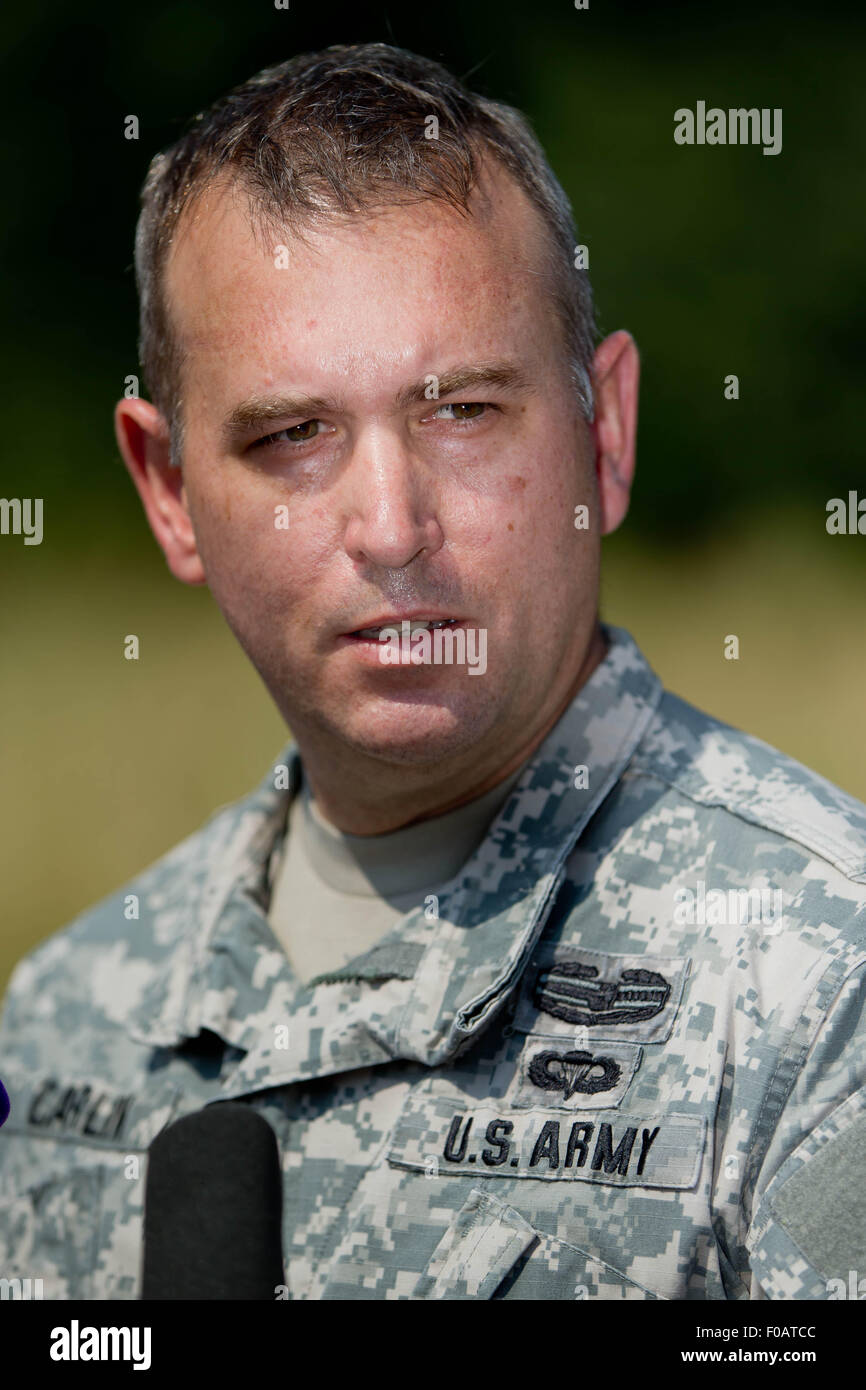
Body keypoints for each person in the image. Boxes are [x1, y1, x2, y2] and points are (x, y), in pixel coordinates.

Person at [1, 40, 864, 1302]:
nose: (393, 524)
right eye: (293, 435)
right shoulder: (71, 1016)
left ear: (602, 433)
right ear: (171, 492)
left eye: (462, 409)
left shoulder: (820, 988)